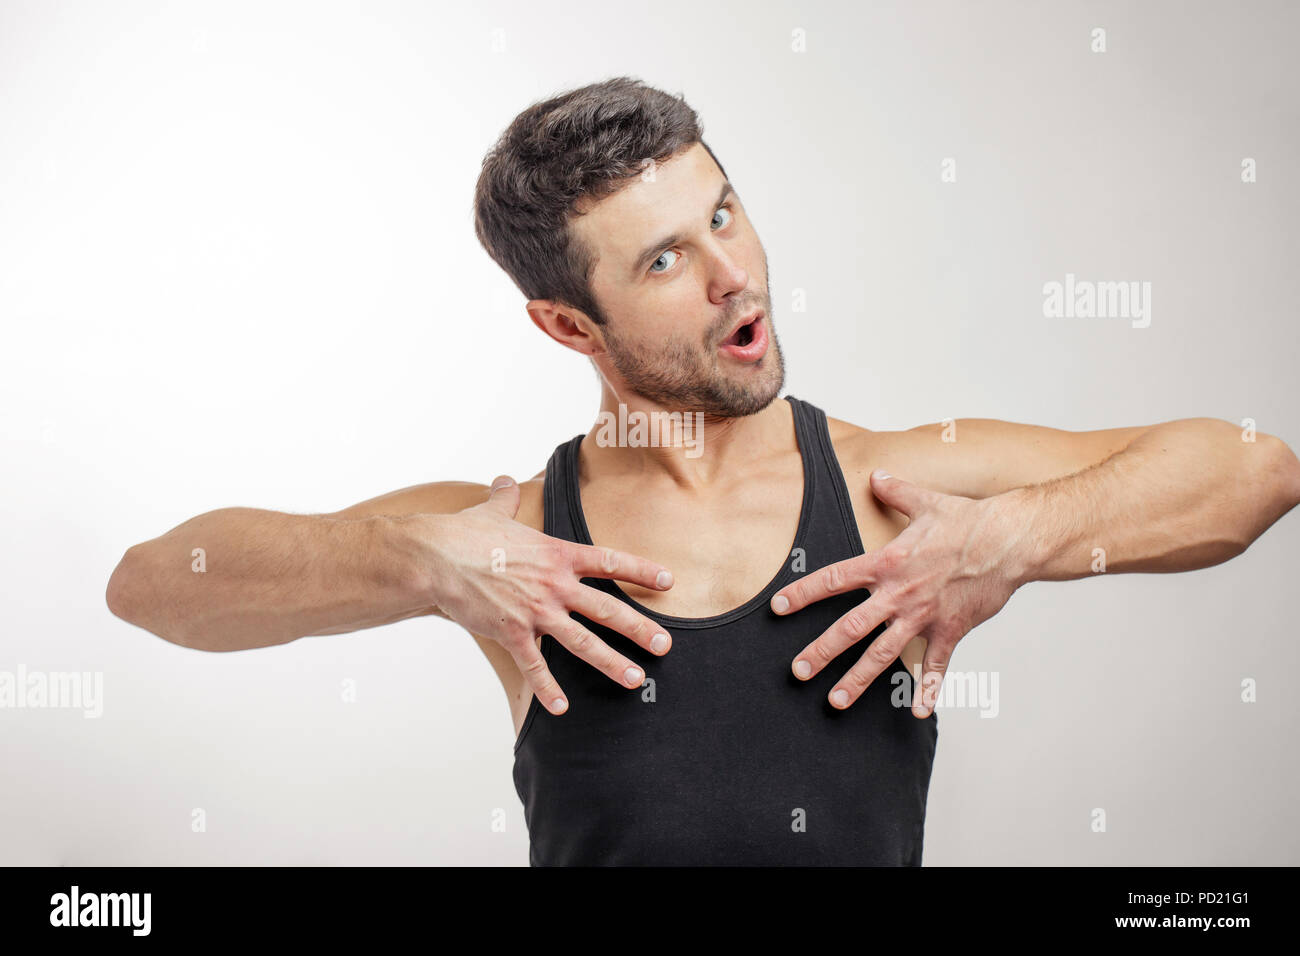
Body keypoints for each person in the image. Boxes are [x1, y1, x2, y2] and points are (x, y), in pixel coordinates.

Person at [105, 76, 1300, 865]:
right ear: (571, 328)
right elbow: (156, 585)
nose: (734, 275)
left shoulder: (896, 488)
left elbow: (1253, 469)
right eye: (668, 258)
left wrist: (1015, 536)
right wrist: (407, 554)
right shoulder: (511, 539)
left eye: (725, 213)